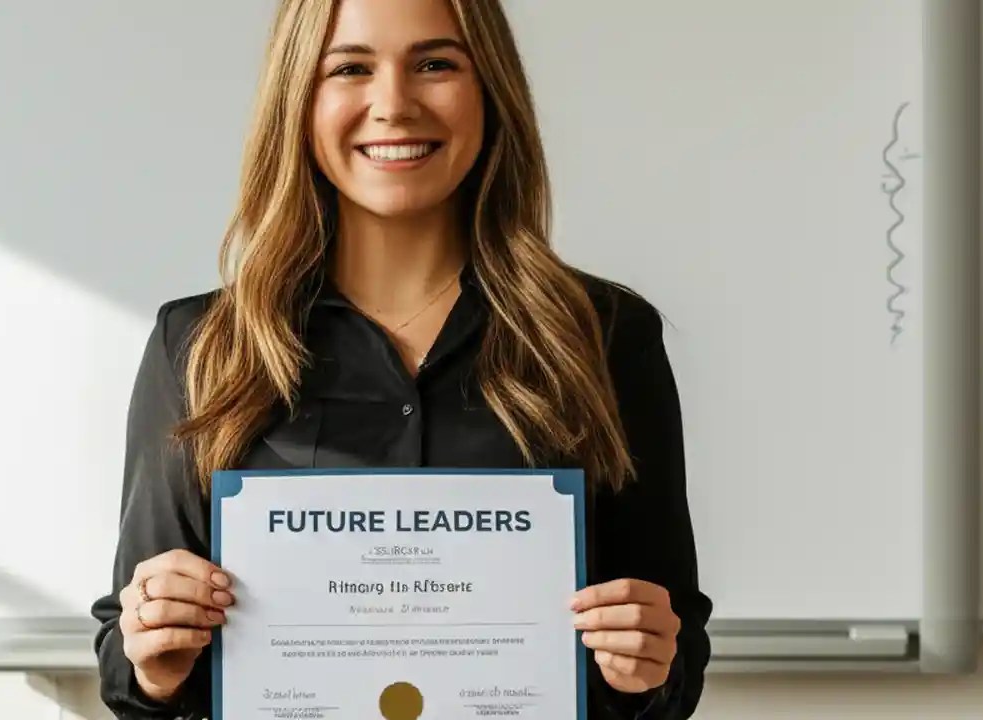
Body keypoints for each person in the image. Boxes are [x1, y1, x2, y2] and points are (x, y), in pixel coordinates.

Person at [89, 0, 713, 717]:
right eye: (351, 68)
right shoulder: (202, 345)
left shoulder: (604, 336)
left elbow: (676, 651)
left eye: (435, 64)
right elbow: (127, 660)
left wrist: (648, 666)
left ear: (491, 89)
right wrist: (155, 660)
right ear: (299, 97)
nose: (394, 104)